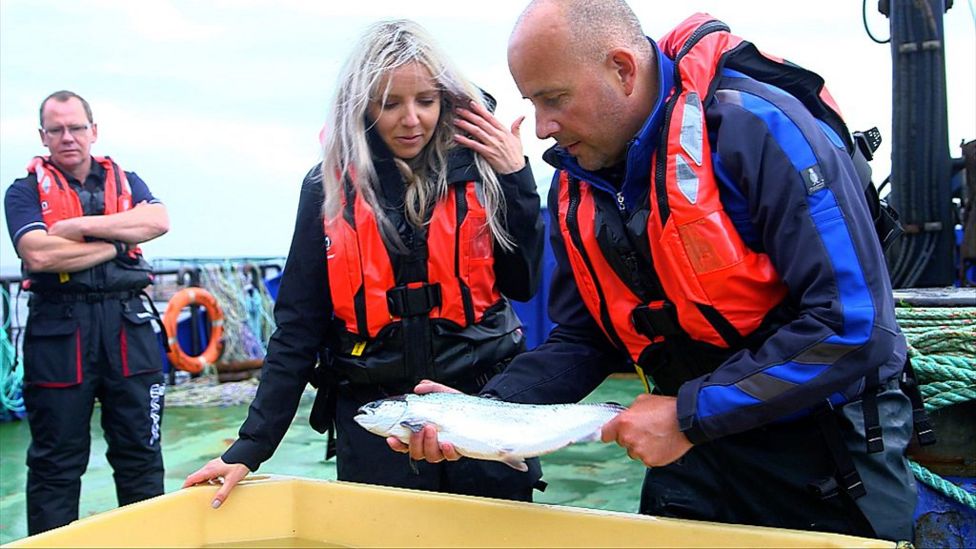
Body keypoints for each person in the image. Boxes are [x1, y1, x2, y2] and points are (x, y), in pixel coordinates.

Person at [391, 0, 920, 542]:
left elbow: (854, 325)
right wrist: (484, 412)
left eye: (554, 100)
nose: (543, 128)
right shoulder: (577, 181)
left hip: (824, 458)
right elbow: (584, 337)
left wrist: (690, 415)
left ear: (622, 69)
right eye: (533, 102)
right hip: (688, 457)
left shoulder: (758, 128)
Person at [183, 19, 545, 507]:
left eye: (425, 101)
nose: (411, 120)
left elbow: (521, 283)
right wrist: (251, 447)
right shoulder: (326, 188)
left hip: (481, 406)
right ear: (363, 107)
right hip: (376, 420)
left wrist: (518, 177)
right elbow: (296, 329)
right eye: (390, 103)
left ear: (445, 100)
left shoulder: (484, 170)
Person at [3, 90, 169, 535]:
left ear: (93, 131)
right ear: (43, 136)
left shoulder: (129, 180)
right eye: (56, 129)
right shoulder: (22, 193)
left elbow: (156, 221)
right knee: (56, 462)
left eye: (76, 127)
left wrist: (78, 230)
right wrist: (119, 241)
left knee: (142, 457)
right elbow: (38, 253)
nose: (68, 137)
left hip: (127, 327)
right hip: (60, 330)